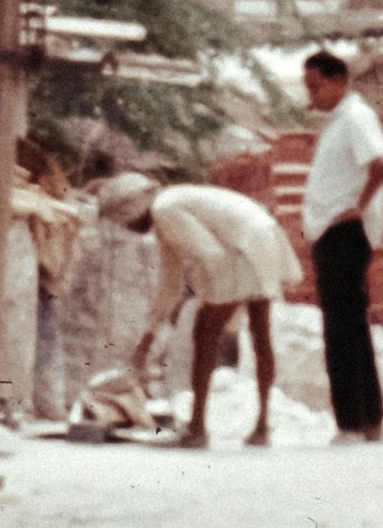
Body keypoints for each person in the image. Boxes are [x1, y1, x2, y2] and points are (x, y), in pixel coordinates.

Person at [100, 173, 299, 449]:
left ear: (130, 209)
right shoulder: (170, 208)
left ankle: (197, 428)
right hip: (262, 238)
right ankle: (262, 427)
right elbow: (171, 283)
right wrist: (146, 340)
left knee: (205, 332)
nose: (127, 227)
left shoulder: (164, 209)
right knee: (260, 334)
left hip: (242, 248)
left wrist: (205, 302)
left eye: (123, 219)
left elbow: (211, 255)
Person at [299, 51, 383, 443]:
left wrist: (356, 208)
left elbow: (382, 164)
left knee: (341, 330)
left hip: (344, 233)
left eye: (316, 86)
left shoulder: (356, 117)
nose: (312, 95)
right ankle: (369, 420)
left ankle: (351, 424)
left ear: (338, 81)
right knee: (351, 328)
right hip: (332, 232)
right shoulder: (341, 120)